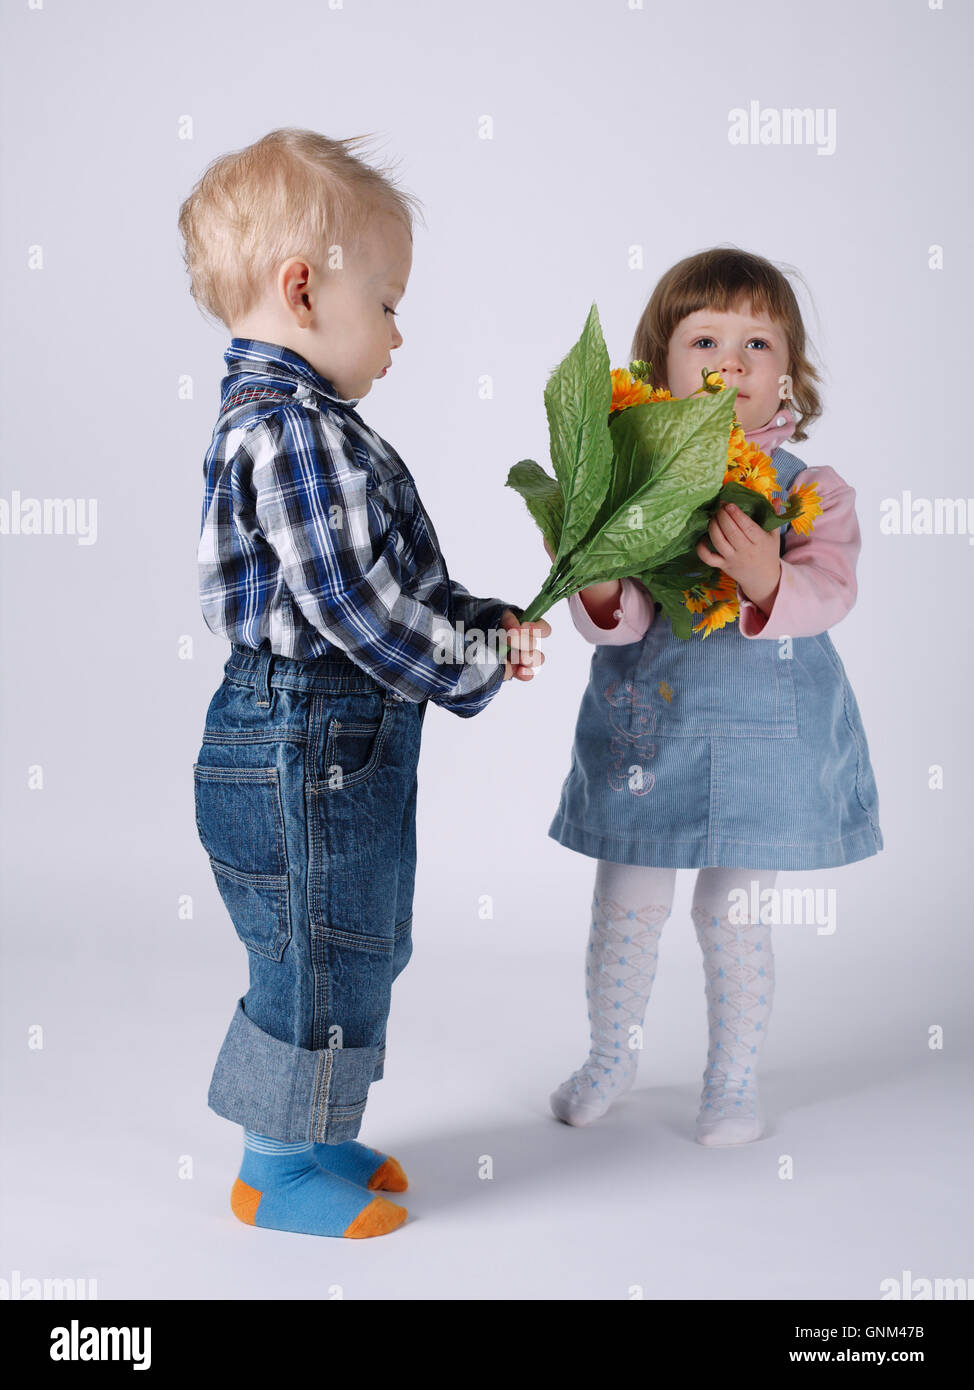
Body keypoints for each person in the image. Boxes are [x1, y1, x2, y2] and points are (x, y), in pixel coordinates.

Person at [178, 128, 550, 1238]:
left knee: (356, 939)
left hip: (338, 735)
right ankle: (273, 1168)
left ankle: (319, 1131)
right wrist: (471, 660)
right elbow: (352, 609)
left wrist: (481, 620)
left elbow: (388, 584)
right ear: (303, 288)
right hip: (301, 739)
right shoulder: (292, 433)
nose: (397, 333)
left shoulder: (315, 427)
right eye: (387, 302)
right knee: (312, 951)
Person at [547, 246, 882, 1144]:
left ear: (789, 380)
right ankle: (612, 1053)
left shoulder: (813, 492)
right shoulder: (639, 481)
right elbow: (615, 624)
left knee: (733, 916)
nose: (731, 361)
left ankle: (732, 1078)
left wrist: (772, 575)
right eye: (704, 339)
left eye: (758, 344)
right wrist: (593, 574)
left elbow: (833, 593)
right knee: (627, 900)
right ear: (658, 365)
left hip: (768, 745)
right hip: (650, 735)